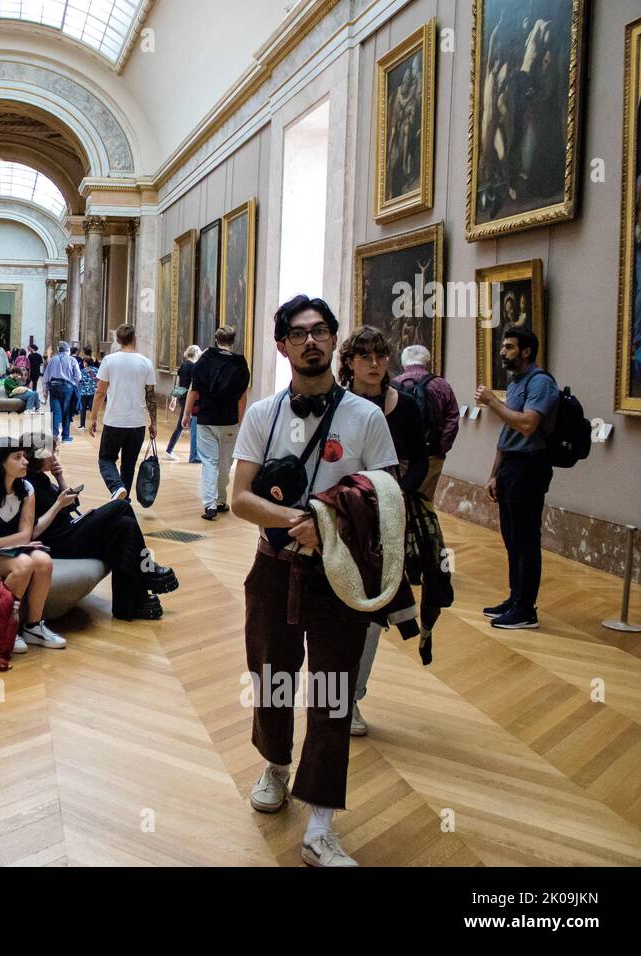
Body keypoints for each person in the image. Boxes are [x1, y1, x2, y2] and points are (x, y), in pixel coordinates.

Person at [230, 294, 398, 868]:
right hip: (274, 568)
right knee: (271, 673)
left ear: (333, 341)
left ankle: (321, 824)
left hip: (339, 573)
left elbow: (386, 497)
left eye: (321, 331)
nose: (311, 341)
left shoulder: (366, 418)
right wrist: (296, 521)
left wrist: (328, 527)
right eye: (299, 333)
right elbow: (239, 498)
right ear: (282, 345)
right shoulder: (262, 414)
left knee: (333, 691)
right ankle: (276, 766)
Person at [338, 326, 429, 736]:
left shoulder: (404, 406)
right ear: (350, 362)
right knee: (333, 609)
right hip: (341, 517)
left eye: (380, 356)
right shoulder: (337, 405)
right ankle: (331, 693)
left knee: (375, 611)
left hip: (386, 522)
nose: (375, 364)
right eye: (365, 357)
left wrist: (396, 496)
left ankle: (352, 697)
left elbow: (421, 460)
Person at [23, 432, 178, 625]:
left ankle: (126, 605)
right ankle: (146, 569)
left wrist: (60, 478)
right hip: (58, 542)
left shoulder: (42, 478)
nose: (55, 456)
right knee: (121, 506)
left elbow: (71, 505)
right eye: (51, 452)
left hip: (68, 530)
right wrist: (57, 505)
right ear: (39, 455)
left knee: (125, 526)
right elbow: (32, 531)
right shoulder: (27, 485)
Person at [476, 324, 559, 631]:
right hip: (512, 465)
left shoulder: (541, 383)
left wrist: (492, 402)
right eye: (503, 346)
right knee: (511, 538)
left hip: (530, 466)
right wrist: (494, 474)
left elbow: (526, 424)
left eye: (509, 347)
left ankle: (526, 610)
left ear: (526, 351)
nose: (502, 352)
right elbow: (507, 432)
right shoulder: (516, 382)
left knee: (526, 540)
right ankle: (515, 598)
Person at [0, 439, 65, 649]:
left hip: (8, 547)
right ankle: (5, 627)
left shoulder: (26, 489)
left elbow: (25, 536)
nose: (25, 462)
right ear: (0, 463)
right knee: (24, 564)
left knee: (44, 561)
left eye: (24, 456)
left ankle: (33, 626)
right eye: (17, 457)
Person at [185, 326, 250, 519]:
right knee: (225, 463)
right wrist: (239, 420)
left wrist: (187, 413)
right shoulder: (240, 363)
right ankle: (221, 500)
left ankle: (210, 505)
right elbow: (242, 397)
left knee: (209, 462)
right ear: (233, 341)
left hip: (206, 419)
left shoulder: (205, 359)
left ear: (216, 340)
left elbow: (194, 390)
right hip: (229, 420)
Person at [88, 324, 157, 501]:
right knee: (129, 465)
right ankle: (123, 502)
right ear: (134, 339)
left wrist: (93, 417)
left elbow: (100, 392)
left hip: (114, 421)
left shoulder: (109, 361)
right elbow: (150, 395)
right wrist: (154, 423)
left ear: (118, 340)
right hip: (137, 423)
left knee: (105, 459)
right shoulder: (146, 362)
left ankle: (117, 487)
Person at [391, 343, 459, 502]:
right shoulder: (441, 385)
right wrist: (440, 449)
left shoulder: (393, 385)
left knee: (397, 500)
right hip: (430, 453)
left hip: (399, 455)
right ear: (427, 361)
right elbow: (452, 419)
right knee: (424, 501)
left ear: (404, 362)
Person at [165, 345, 201, 461]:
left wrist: (174, 399)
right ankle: (169, 450)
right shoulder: (194, 366)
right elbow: (193, 385)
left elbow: (178, 383)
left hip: (182, 397)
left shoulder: (183, 365)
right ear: (196, 352)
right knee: (184, 425)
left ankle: (173, 450)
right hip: (190, 398)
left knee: (185, 424)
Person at [42, 341, 80, 442]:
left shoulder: (52, 359)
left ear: (59, 350)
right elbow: (78, 377)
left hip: (53, 386)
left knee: (55, 412)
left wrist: (45, 391)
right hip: (67, 387)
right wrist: (73, 383)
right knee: (66, 412)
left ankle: (55, 437)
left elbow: (45, 377)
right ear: (68, 350)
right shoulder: (72, 360)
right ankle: (65, 437)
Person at [77, 352, 100, 430]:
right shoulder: (97, 370)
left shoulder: (83, 370)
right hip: (93, 392)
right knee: (92, 410)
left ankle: (82, 425)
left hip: (84, 392)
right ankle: (93, 425)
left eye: (84, 362)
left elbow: (79, 380)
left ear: (86, 363)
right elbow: (99, 380)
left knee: (83, 409)